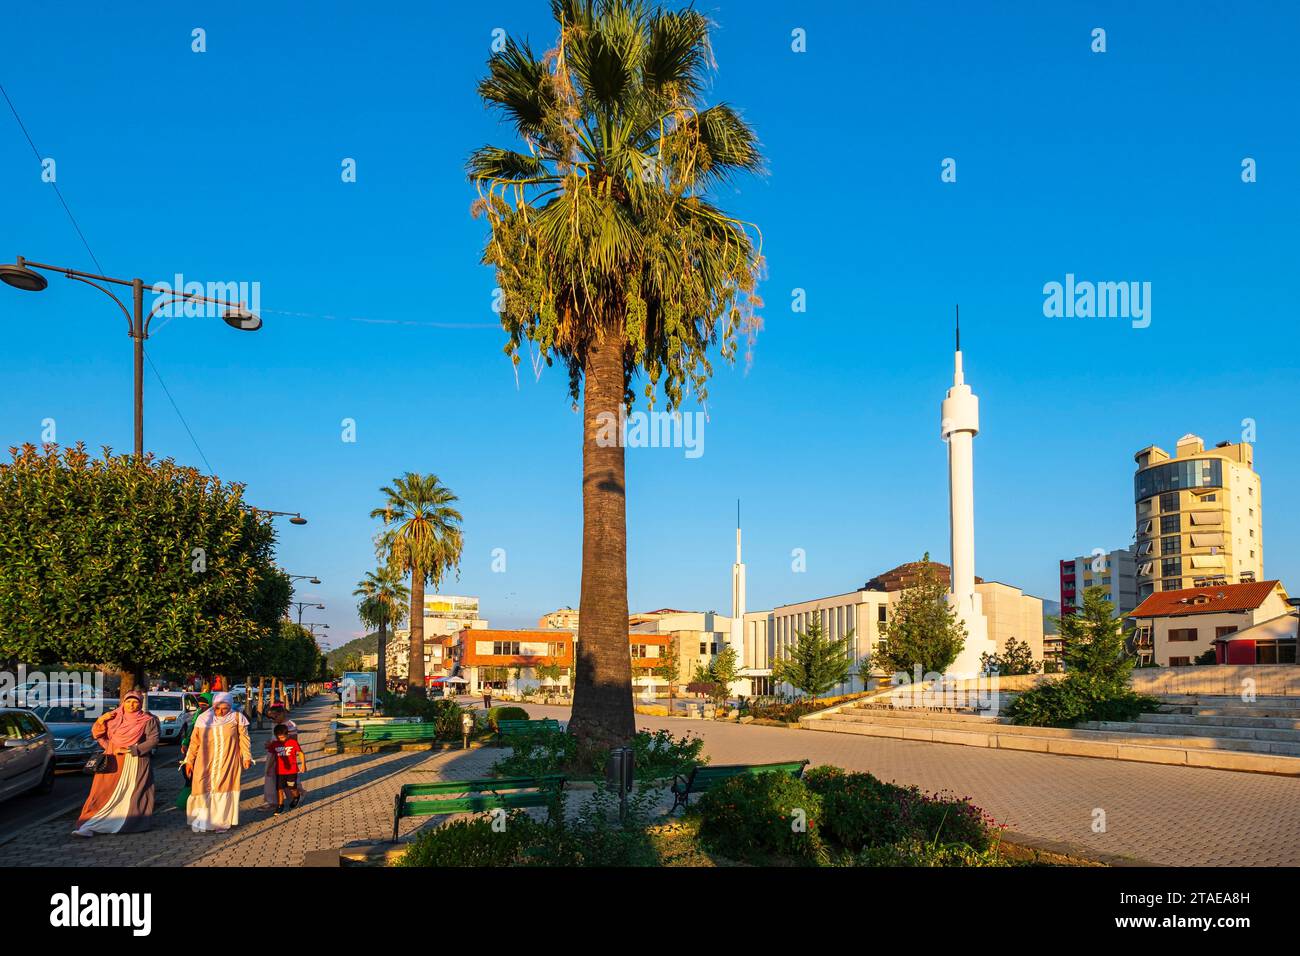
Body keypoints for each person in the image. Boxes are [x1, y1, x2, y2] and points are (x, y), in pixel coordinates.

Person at [72, 691, 160, 838]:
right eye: (128, 701)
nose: (131, 705)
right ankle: (90, 824)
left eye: (135, 702)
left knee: (134, 792)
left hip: (136, 761)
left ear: (140, 703)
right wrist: (108, 741)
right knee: (102, 792)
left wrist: (133, 749)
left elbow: (153, 739)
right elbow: (98, 734)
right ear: (123, 702)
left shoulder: (147, 719)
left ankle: (132, 824)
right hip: (113, 761)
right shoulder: (114, 717)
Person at [183, 691, 252, 833]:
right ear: (213, 705)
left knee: (223, 789)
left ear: (230, 706)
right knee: (202, 787)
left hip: (228, 760)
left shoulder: (236, 718)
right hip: (204, 761)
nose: (221, 712)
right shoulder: (203, 719)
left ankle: (221, 822)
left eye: (225, 708)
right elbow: (194, 742)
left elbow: (244, 739)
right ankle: (202, 821)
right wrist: (189, 761)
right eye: (217, 708)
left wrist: (246, 757)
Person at [260, 700, 301, 811]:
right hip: (273, 752)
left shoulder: (290, 725)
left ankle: (295, 796)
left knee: (288, 778)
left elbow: (293, 742)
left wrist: (274, 743)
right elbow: (274, 737)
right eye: (270, 718)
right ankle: (271, 801)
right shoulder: (275, 724)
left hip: (285, 754)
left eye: (274, 717)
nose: (272, 720)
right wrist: (270, 743)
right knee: (269, 775)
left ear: (282, 714)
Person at [266, 723, 306, 814]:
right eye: (279, 738)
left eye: (283, 737)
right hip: (279, 771)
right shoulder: (275, 744)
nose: (282, 739)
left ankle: (297, 797)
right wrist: (269, 768)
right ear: (276, 736)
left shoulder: (293, 742)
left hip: (291, 771)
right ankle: (280, 805)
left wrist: (303, 765)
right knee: (279, 789)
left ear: (287, 734)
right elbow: (272, 757)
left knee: (292, 788)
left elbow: (301, 753)